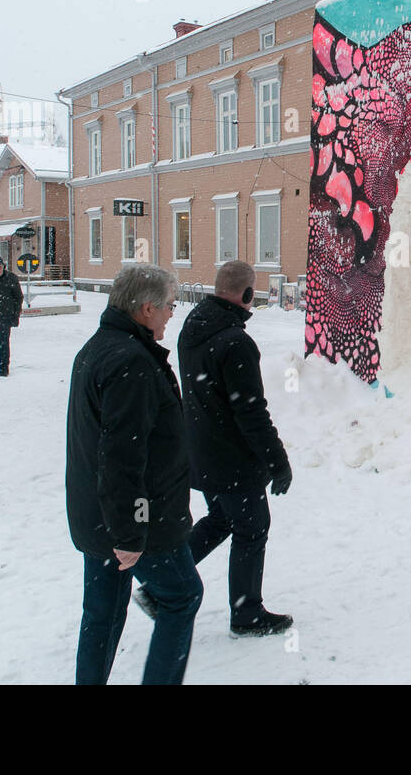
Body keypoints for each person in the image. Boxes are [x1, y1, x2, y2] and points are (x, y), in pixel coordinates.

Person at [65, 264, 202, 685]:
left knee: (103, 615)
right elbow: (122, 456)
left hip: (100, 515)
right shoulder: (131, 362)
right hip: (141, 521)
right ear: (146, 309)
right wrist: (129, 532)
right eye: (168, 307)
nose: (170, 315)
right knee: (182, 596)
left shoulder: (101, 347)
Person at [144, 259, 293, 637]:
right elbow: (251, 412)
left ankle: (159, 588)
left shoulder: (193, 327)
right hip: (233, 462)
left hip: (201, 453)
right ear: (246, 294)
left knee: (223, 520)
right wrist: (278, 462)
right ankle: (247, 614)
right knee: (253, 529)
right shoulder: (236, 342)